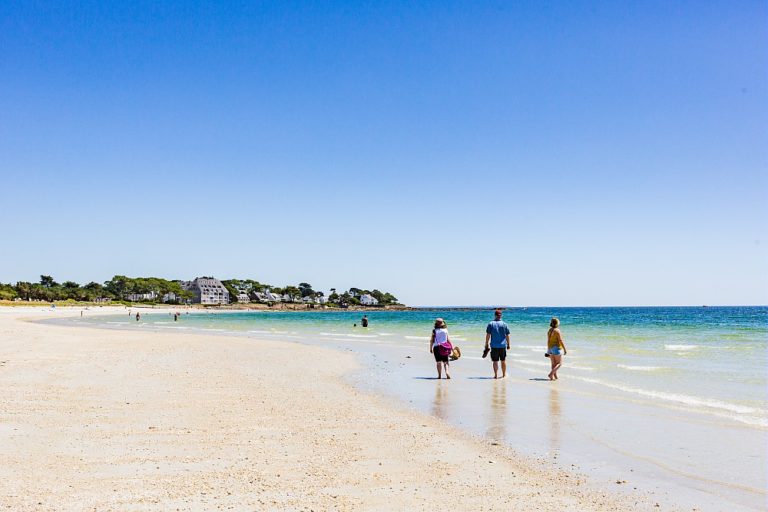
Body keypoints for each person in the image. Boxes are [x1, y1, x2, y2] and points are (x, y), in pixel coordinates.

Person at [484, 309, 510, 379]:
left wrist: (486, 344)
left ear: (495, 315)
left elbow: (488, 335)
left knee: (495, 361)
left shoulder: (491, 324)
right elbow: (507, 335)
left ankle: (495, 375)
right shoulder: (504, 324)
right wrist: (508, 344)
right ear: (501, 316)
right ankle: (504, 375)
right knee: (503, 361)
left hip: (494, 346)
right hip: (502, 346)